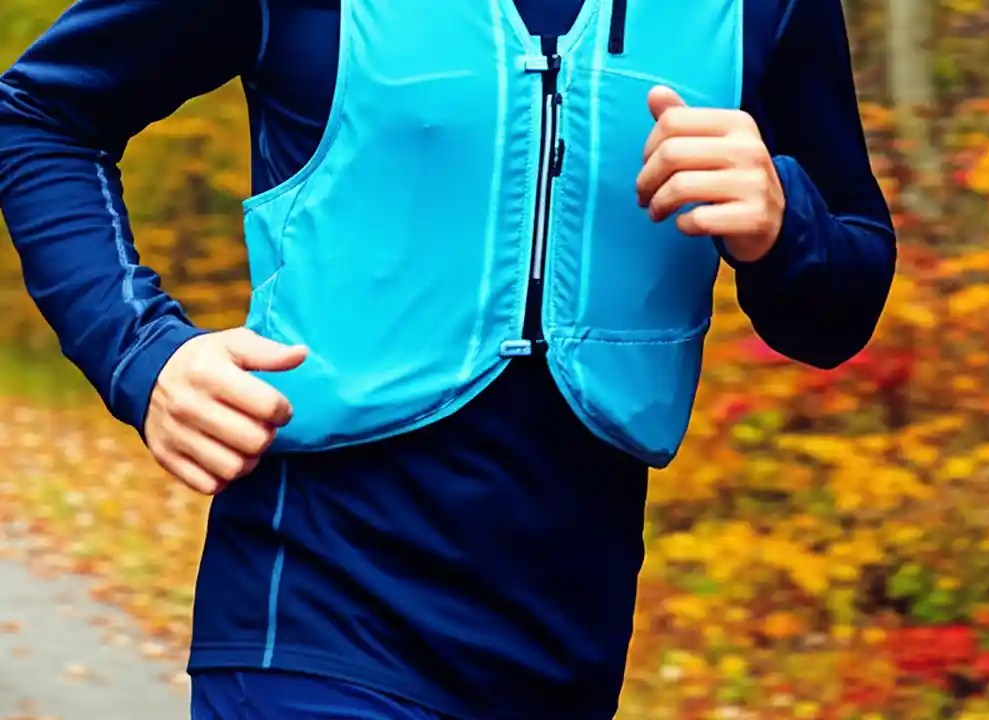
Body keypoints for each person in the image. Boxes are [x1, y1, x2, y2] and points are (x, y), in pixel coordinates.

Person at [0, 0, 895, 717]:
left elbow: (840, 306)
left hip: (568, 644)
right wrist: (142, 352)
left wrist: (783, 225)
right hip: (311, 609)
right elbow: (39, 115)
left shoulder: (766, 9)